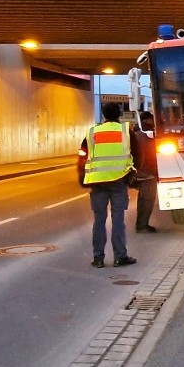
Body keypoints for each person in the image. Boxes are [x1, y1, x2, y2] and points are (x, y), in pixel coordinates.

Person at [79, 102, 137, 268]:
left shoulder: (92, 132)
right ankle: (120, 257)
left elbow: (83, 152)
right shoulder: (126, 132)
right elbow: (138, 155)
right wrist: (133, 172)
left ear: (103, 115)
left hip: (97, 182)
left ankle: (98, 258)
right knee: (118, 219)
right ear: (119, 114)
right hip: (119, 180)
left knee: (99, 220)